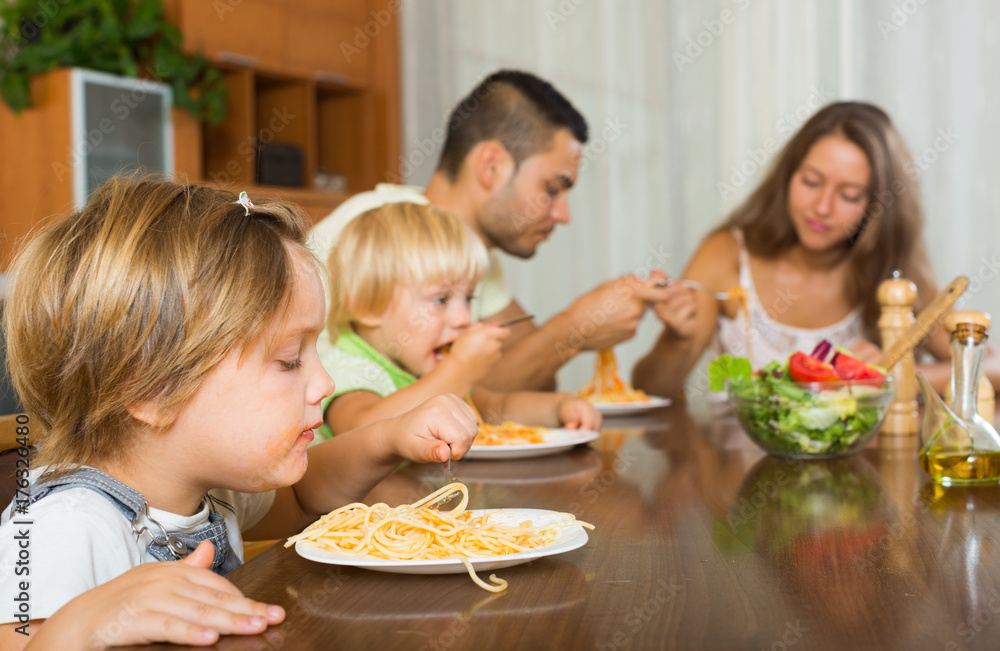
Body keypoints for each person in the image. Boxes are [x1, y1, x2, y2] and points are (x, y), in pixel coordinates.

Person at [0, 177, 477, 648]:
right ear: (152, 389)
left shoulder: (207, 488)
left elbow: (308, 495)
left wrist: (388, 437)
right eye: (290, 359)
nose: (325, 383)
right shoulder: (64, 527)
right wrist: (80, 626)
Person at [309, 69, 671, 392]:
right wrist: (575, 328)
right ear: (491, 165)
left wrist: (572, 332)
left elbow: (533, 381)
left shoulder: (468, 251)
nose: (563, 215)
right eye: (552, 188)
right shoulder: (374, 233)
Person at [633, 101, 999, 399]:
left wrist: (896, 373)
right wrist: (676, 338)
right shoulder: (727, 253)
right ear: (788, 176)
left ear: (879, 206)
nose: (822, 207)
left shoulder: (895, 272)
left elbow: (992, 368)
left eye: (849, 195)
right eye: (811, 181)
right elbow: (651, 389)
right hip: (740, 475)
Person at [320, 201, 601, 437]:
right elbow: (364, 431)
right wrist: (458, 370)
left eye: (468, 299)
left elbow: (497, 409)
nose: (463, 318)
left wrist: (559, 408)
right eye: (440, 300)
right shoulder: (347, 370)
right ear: (367, 305)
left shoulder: (426, 365)